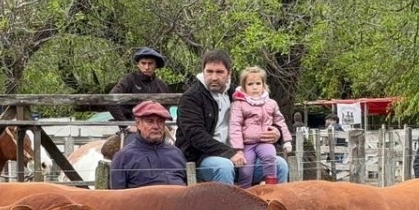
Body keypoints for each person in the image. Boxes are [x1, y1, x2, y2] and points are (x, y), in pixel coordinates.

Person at [175, 49, 288, 185]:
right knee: (224, 167)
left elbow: (262, 114)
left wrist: (276, 132)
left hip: (241, 153)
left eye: (219, 72)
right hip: (201, 158)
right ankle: (229, 207)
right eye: (209, 72)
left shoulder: (237, 95)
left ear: (229, 73)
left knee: (280, 164)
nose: (214, 77)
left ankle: (274, 205)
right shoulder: (192, 97)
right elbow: (195, 135)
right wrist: (229, 153)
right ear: (203, 71)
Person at [229, 66, 292, 188]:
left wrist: (286, 141)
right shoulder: (239, 104)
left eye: (258, 83)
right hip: (247, 143)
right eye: (250, 84)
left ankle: (271, 187)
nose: (254, 87)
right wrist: (238, 149)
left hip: (265, 141)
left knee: (270, 157)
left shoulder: (271, 103)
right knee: (246, 170)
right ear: (244, 86)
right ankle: (245, 193)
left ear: (263, 84)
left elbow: (280, 121)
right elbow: (235, 125)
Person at [109, 100, 187, 189]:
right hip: (143, 201)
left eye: (160, 121)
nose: (156, 126)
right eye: (150, 121)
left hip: (178, 201)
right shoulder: (124, 157)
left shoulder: (176, 153)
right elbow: (118, 196)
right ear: (138, 124)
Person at [108, 47, 171, 124]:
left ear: (156, 65)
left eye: (150, 63)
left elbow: (166, 109)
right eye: (143, 63)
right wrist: (125, 124)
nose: (146, 67)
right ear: (138, 64)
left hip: (156, 125)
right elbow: (110, 99)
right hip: (133, 124)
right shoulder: (129, 80)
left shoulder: (162, 85)